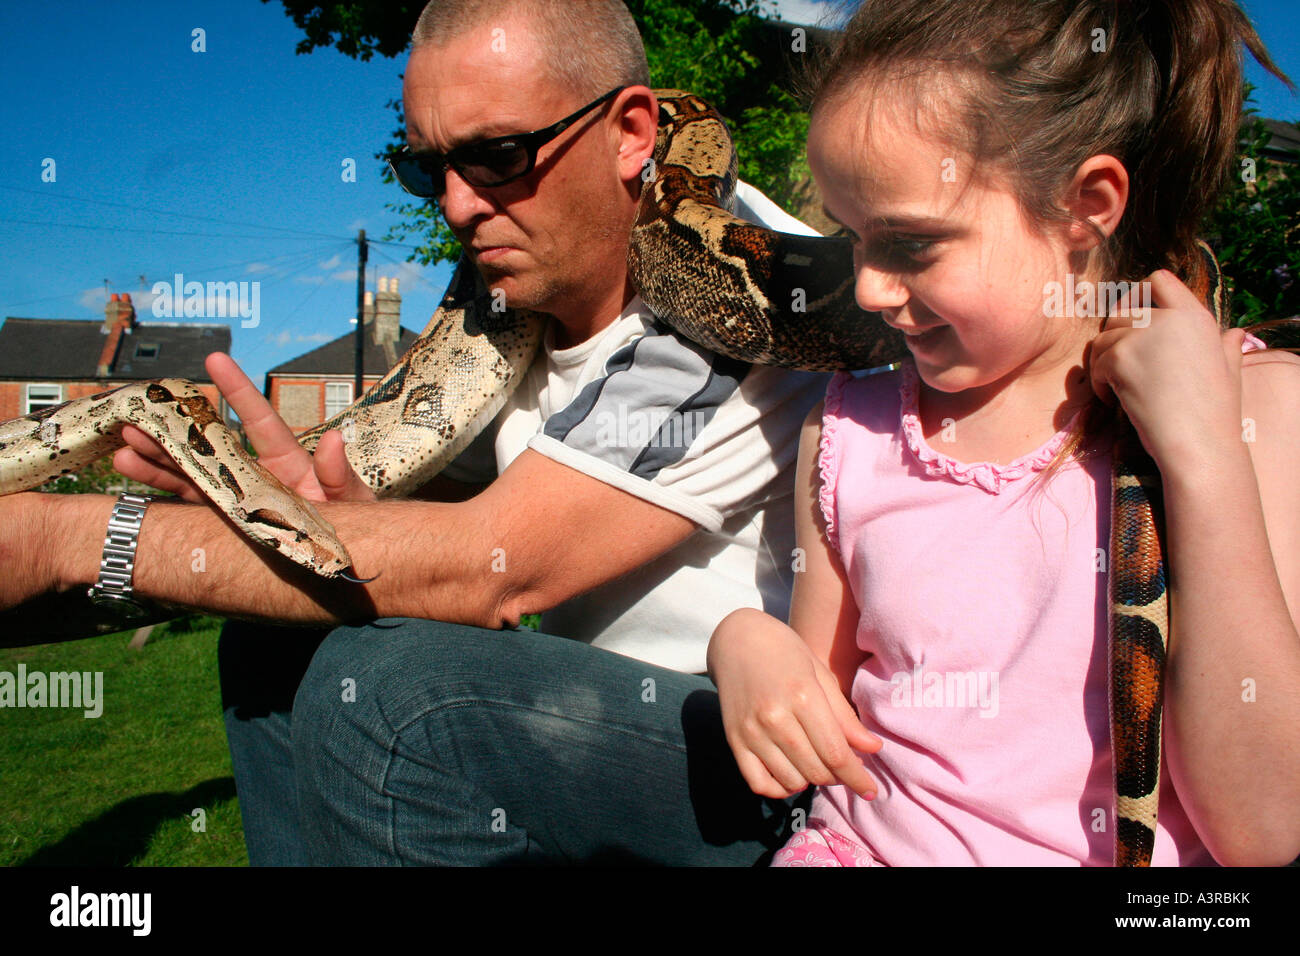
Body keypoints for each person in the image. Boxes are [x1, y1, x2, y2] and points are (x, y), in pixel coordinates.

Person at [0, 0, 827, 865]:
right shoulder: (522, 300)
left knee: (398, 697)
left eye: (500, 155)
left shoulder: (737, 291)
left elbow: (492, 569)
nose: (459, 208)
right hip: (605, 730)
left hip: (772, 763)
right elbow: (413, 530)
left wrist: (76, 540)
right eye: (428, 170)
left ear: (631, 132)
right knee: (277, 629)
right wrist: (328, 501)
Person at [707, 0, 1300, 866]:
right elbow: (821, 706)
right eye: (853, 237)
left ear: (1085, 209)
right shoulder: (852, 431)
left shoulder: (1256, 413)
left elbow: (1266, 828)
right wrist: (742, 645)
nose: (868, 288)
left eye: (910, 243)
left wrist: (1205, 456)